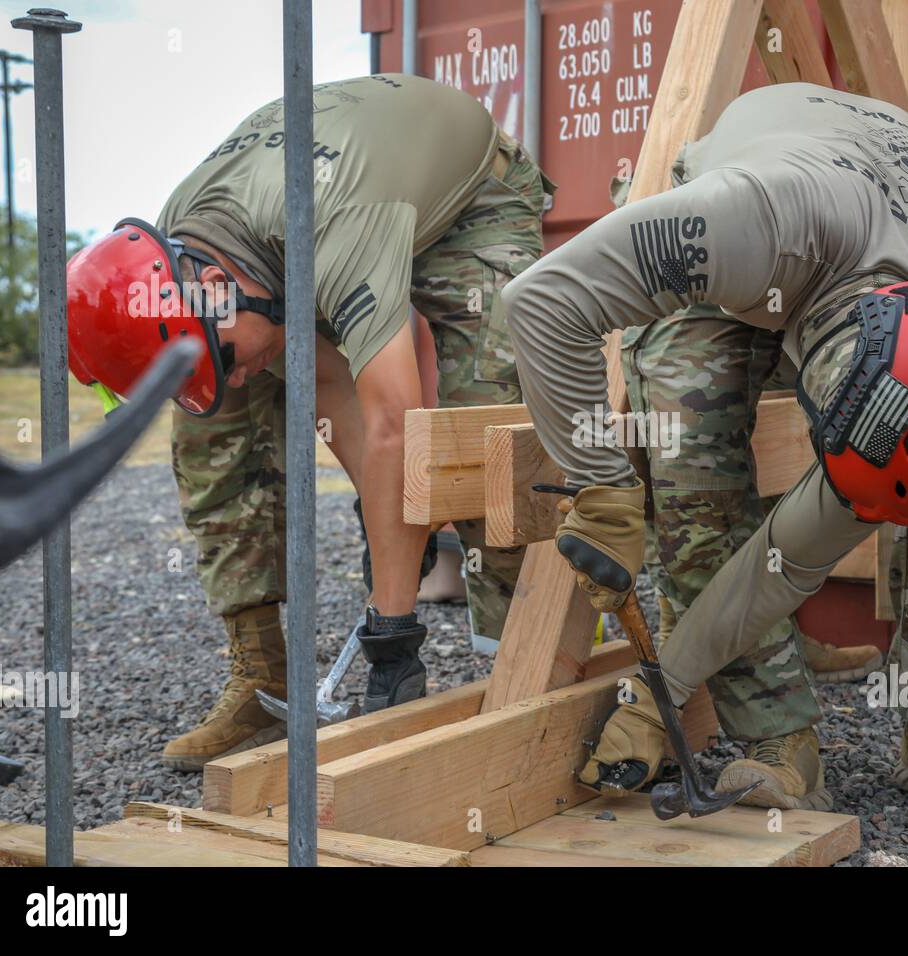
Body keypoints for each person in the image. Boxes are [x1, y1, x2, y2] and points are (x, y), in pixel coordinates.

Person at [499, 82, 908, 830]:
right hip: (755, 248)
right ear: (817, 386)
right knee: (691, 459)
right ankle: (778, 739)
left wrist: (662, 686)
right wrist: (601, 484)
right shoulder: (748, 219)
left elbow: (787, 558)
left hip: (862, 209)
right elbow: (542, 302)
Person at [65, 74, 552, 770]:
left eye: (228, 356)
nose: (237, 375)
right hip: (309, 229)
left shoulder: (331, 228)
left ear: (211, 287)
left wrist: (393, 636)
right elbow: (329, 386)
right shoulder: (177, 248)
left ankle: (525, 670)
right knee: (212, 413)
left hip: (468, 193)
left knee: (486, 426)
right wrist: (390, 523)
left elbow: (392, 423)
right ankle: (262, 678)